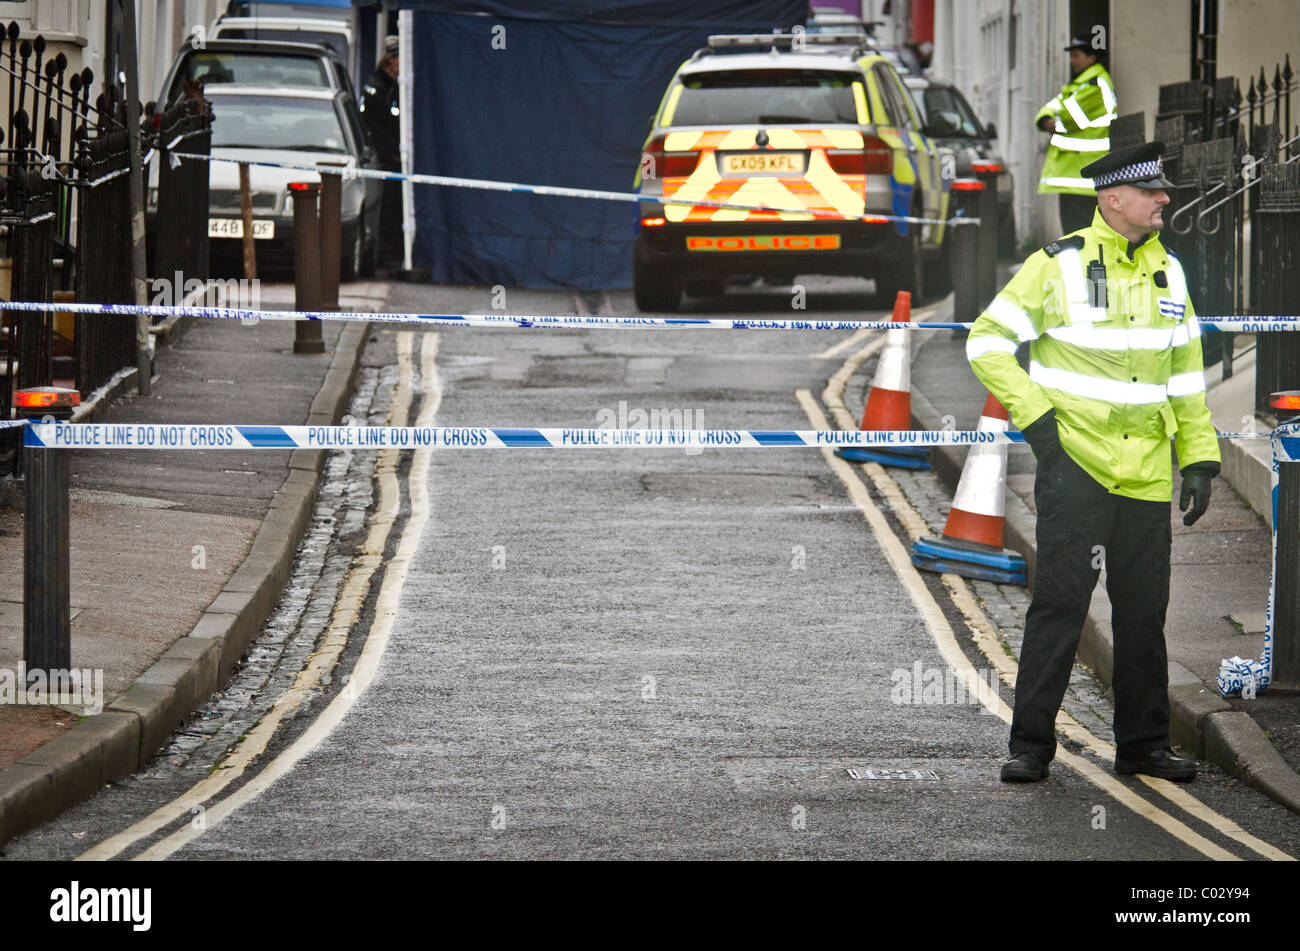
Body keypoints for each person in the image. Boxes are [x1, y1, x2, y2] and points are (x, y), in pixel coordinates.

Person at [965, 141, 1221, 784]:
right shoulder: (1057, 266)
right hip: (1074, 464)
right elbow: (988, 341)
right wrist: (1041, 425)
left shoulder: (1169, 271)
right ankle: (1029, 747)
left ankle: (1143, 746)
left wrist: (1199, 459)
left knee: (1143, 615)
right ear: (1114, 199)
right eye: (1152, 191)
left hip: (1144, 474)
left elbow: (1186, 378)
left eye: (1162, 191)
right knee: (1059, 606)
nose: (1164, 199)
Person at [1035, 33, 1117, 235]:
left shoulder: (1095, 85)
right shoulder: (1078, 86)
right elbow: (1048, 110)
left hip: (1084, 173)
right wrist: (1049, 118)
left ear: (1092, 57)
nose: (1072, 60)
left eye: (1077, 55)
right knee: (1076, 233)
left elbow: (1067, 118)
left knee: (1080, 234)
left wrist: (1053, 120)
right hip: (1075, 172)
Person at [360, 36, 403, 270]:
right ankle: (385, 255)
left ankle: (390, 253)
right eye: (397, 61)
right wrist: (391, 154)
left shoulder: (391, 89)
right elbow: (379, 129)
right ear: (390, 62)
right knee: (385, 209)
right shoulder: (378, 90)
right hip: (384, 162)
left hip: (391, 161)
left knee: (392, 209)